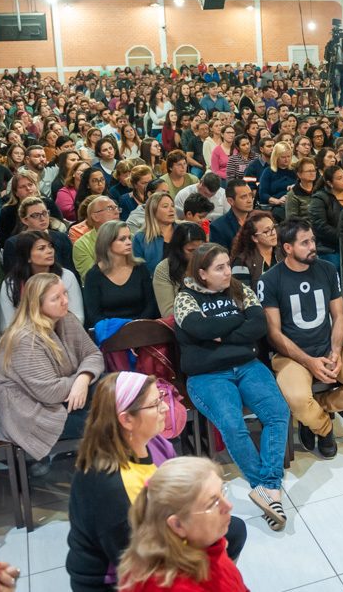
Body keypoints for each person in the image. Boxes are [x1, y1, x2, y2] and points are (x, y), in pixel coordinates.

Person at [66, 372, 246, 592]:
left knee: (232, 530)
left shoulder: (153, 440)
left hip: (158, 534)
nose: (165, 408)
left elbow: (176, 491)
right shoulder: (111, 486)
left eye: (161, 397)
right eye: (155, 404)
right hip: (117, 578)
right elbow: (140, 558)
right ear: (126, 419)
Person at [174, 243, 290, 531]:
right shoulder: (185, 298)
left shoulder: (239, 289)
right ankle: (266, 489)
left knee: (278, 413)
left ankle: (268, 488)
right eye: (220, 268)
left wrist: (219, 334)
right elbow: (200, 330)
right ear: (202, 274)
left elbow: (257, 325)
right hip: (208, 375)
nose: (228, 271)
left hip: (248, 366)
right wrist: (235, 324)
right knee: (233, 424)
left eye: (227, 264)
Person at [260, 219, 343, 459]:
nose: (313, 246)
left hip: (327, 348)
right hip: (291, 356)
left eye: (313, 240)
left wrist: (335, 351)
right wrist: (308, 361)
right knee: (295, 398)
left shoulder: (327, 269)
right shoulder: (270, 280)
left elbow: (339, 316)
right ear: (288, 248)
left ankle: (317, 409)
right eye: (305, 242)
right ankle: (324, 428)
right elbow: (274, 333)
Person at [0, 272, 103, 470]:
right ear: (37, 304)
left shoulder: (66, 319)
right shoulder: (24, 338)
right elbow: (50, 392)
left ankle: (109, 473)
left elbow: (94, 355)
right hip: (31, 413)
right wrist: (79, 380)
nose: (65, 301)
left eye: (65, 294)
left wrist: (83, 378)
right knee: (108, 420)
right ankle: (103, 478)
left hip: (64, 397)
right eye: (56, 298)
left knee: (114, 388)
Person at [116, 457, 247, 592]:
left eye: (222, 491)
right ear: (178, 525)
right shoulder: (173, 586)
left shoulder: (208, 546)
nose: (229, 506)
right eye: (213, 503)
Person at [0, 229, 84, 328]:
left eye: (50, 246)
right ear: (27, 256)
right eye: (41, 248)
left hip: (63, 333)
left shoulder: (66, 276)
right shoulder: (11, 283)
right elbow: (7, 324)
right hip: (24, 337)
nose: (49, 251)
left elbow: (78, 316)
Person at [83, 221, 159, 330]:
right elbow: (94, 315)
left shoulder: (140, 268)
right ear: (107, 242)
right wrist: (118, 331)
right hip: (109, 333)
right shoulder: (94, 275)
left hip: (141, 330)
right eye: (122, 239)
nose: (128, 242)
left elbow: (151, 305)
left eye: (129, 238)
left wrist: (136, 326)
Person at [151, 222, 206, 318]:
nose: (198, 255)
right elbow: (168, 312)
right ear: (178, 249)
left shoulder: (211, 263)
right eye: (191, 250)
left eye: (201, 249)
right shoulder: (164, 269)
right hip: (183, 323)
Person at [307, 165, 343, 266]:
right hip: (329, 247)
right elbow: (320, 226)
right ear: (329, 183)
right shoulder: (319, 199)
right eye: (339, 178)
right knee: (335, 266)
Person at [131, 191, 177, 275]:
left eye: (172, 206)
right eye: (165, 206)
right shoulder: (140, 238)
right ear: (153, 210)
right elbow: (137, 271)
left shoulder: (185, 231)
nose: (171, 210)